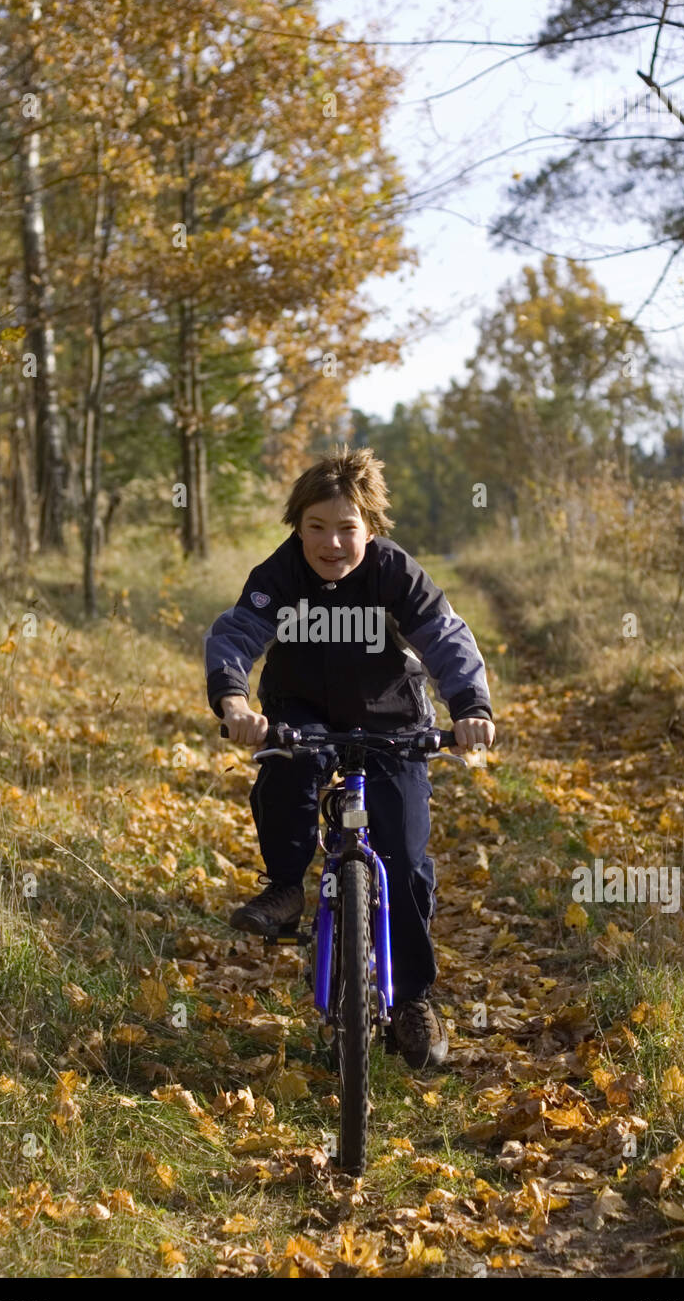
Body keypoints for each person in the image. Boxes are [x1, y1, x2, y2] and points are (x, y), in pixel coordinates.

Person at [204, 446, 495, 1069]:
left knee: (407, 859)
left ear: (371, 526)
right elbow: (236, 636)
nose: (331, 543)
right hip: (301, 713)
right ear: (297, 525)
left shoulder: (394, 574)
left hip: (390, 720)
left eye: (347, 529)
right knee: (285, 770)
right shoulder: (280, 574)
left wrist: (470, 708)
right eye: (316, 527)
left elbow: (445, 637)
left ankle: (414, 1000)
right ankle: (285, 886)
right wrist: (234, 703)